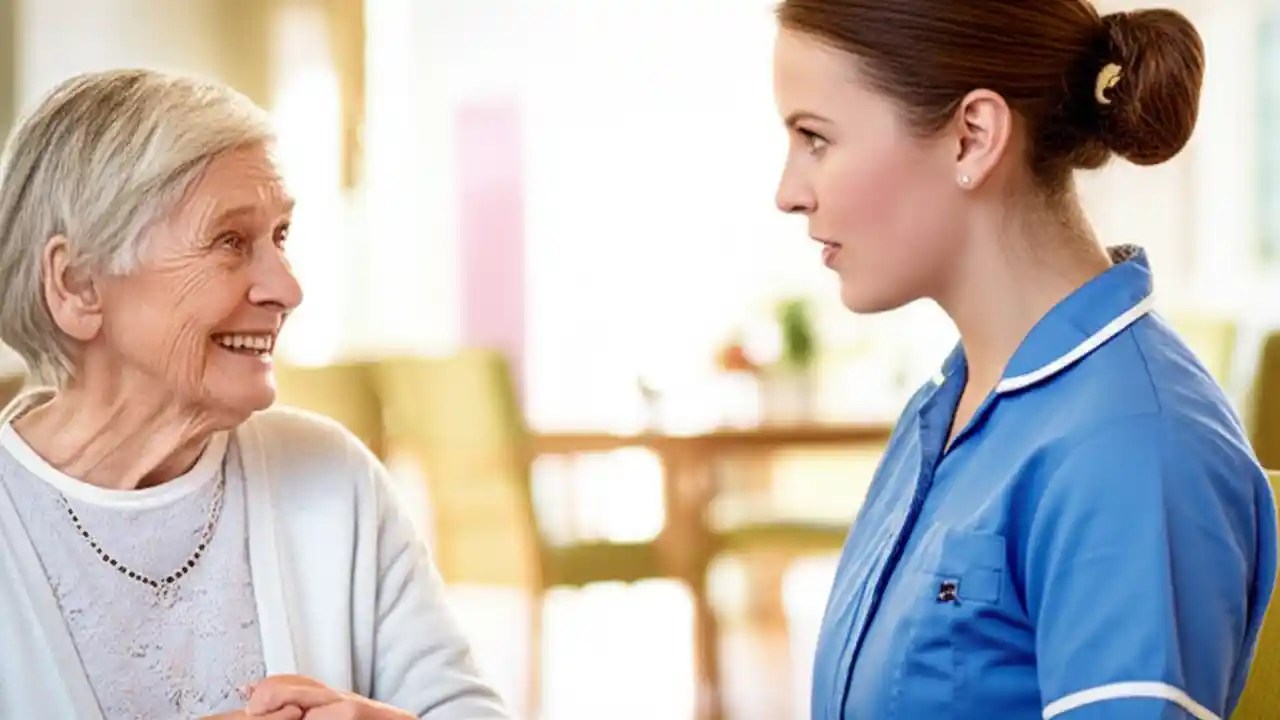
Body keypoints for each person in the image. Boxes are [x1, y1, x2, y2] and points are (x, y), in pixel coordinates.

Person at [771, 1, 1278, 718]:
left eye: (815, 138)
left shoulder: (1133, 448)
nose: (788, 193)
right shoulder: (944, 415)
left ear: (972, 138)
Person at [0, 69, 510, 720]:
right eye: (231, 242)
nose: (287, 289)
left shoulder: (334, 481)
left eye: (280, 237)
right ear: (77, 285)